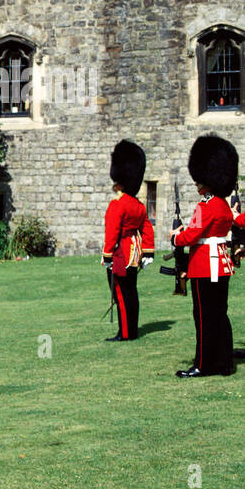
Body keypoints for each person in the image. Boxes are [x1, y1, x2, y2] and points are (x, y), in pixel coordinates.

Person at [171, 135, 238, 377]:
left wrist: (174, 237)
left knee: (203, 316)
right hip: (221, 264)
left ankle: (204, 364)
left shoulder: (206, 205)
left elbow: (190, 236)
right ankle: (224, 362)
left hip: (204, 265)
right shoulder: (222, 205)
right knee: (220, 314)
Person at [102, 140, 155, 341]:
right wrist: (148, 251)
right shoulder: (138, 204)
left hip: (120, 253)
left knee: (121, 293)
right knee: (131, 291)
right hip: (134, 252)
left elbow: (112, 232)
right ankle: (131, 329)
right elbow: (147, 227)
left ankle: (125, 333)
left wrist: (107, 255)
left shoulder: (118, 204)